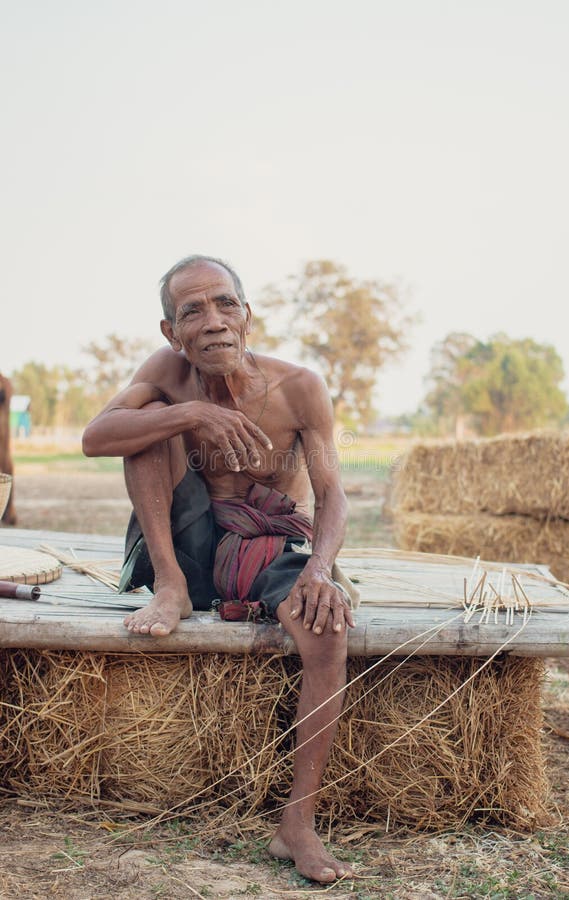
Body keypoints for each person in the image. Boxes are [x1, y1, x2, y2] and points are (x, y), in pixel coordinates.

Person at [82, 254, 356, 884]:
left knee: (327, 630)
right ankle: (172, 591)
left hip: (271, 547)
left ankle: (298, 825)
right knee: (142, 429)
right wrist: (190, 414)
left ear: (247, 316)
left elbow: (334, 492)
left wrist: (320, 568)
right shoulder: (164, 372)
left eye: (225, 304)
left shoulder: (300, 386)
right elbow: (97, 437)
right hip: (187, 549)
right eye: (192, 311)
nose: (213, 321)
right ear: (170, 332)